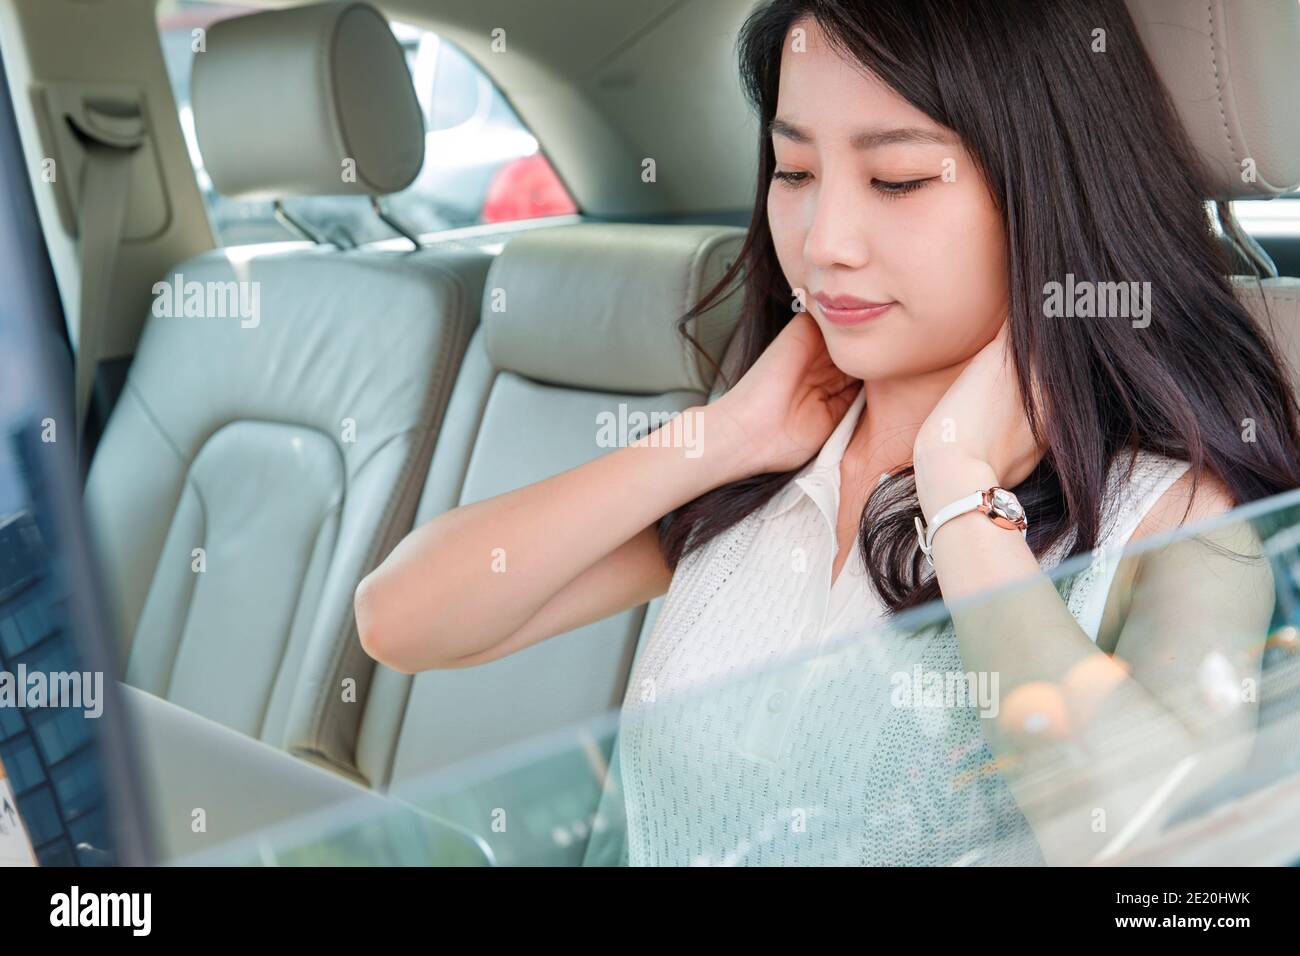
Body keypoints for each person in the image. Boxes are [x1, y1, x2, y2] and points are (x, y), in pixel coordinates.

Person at [356, 0, 1300, 865]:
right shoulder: (773, 460)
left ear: (1047, 194)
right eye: (796, 171)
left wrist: (962, 498)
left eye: (895, 179)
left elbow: (1165, 861)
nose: (822, 240)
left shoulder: (1170, 511)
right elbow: (401, 620)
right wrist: (727, 436)